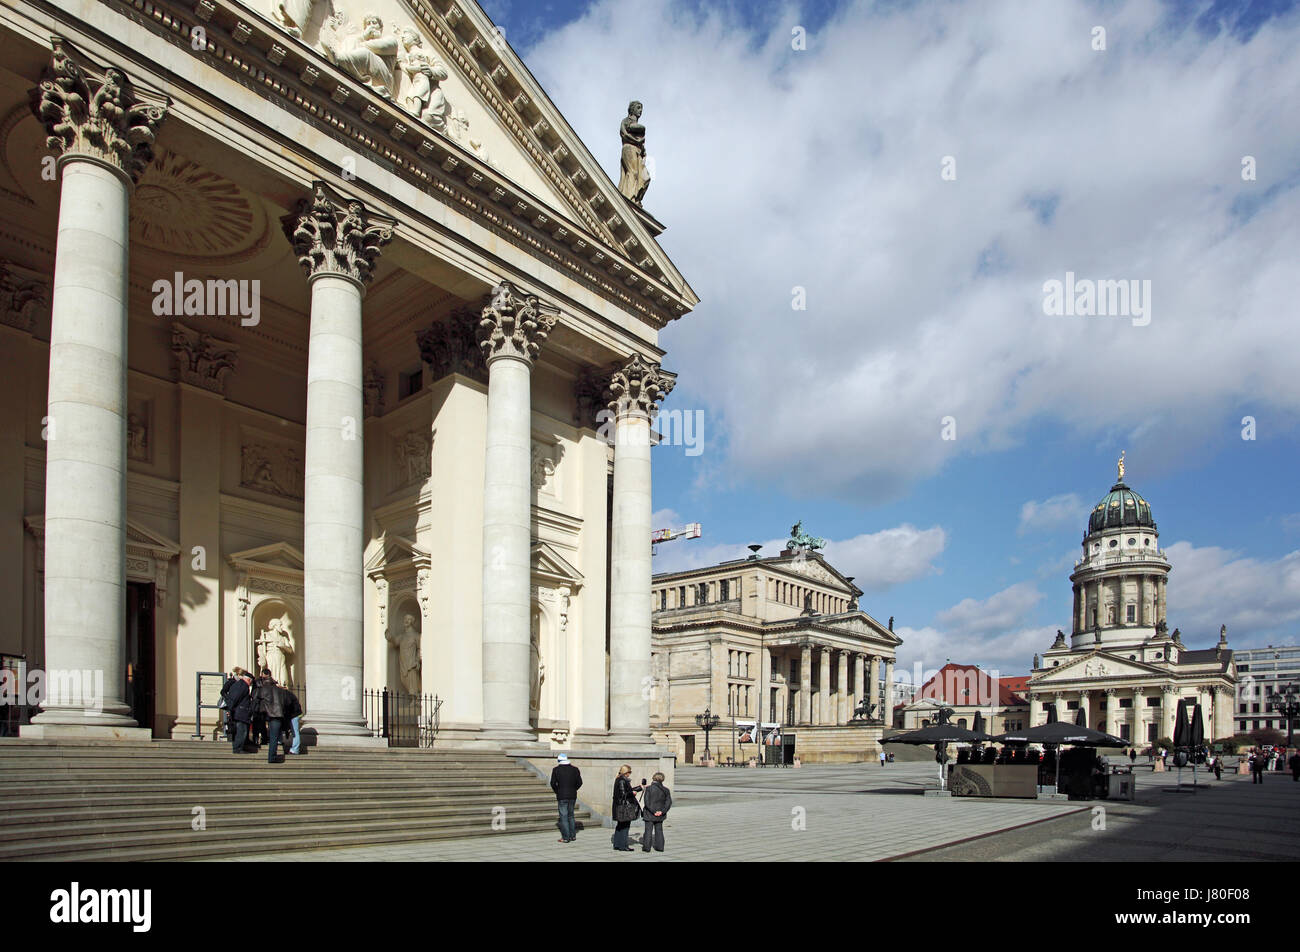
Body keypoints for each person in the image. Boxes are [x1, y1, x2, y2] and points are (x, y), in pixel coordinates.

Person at [251, 668, 290, 764]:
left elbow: (255, 698)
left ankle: (261, 742)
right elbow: (287, 702)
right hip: (277, 714)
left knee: (265, 730)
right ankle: (272, 756)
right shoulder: (280, 691)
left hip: (266, 713)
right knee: (274, 737)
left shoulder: (262, 689)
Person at [549, 754, 583, 844]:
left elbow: (552, 783)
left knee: (563, 817)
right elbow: (580, 782)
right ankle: (572, 836)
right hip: (572, 795)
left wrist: (557, 791)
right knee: (571, 816)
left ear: (559, 761)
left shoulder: (556, 770)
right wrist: (574, 789)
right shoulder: (575, 769)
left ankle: (565, 837)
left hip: (562, 795)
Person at [611, 765, 643, 852]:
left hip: (619, 806)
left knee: (620, 826)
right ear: (626, 773)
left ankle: (617, 845)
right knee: (625, 826)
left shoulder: (620, 779)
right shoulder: (622, 780)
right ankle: (623, 845)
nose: (630, 774)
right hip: (623, 807)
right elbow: (623, 794)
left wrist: (639, 788)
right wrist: (633, 793)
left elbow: (626, 791)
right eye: (629, 772)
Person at [224, 668, 255, 754]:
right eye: (251, 682)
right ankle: (238, 748)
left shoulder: (239, 684)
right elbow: (235, 699)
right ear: (248, 680)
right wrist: (230, 709)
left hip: (240, 712)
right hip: (241, 713)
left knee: (242, 731)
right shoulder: (243, 686)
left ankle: (239, 747)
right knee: (242, 731)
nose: (250, 684)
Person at [640, 771, 672, 853]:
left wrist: (653, 811)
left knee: (648, 831)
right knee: (659, 830)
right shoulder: (666, 790)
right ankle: (660, 847)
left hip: (649, 813)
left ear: (654, 778)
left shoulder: (649, 789)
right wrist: (662, 811)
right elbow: (668, 803)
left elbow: (646, 802)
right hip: (660, 814)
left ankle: (647, 847)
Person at [283, 684, 304, 755]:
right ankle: (295, 749)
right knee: (294, 731)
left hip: (294, 714)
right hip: (293, 713)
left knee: (295, 731)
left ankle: (295, 749)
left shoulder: (285, 694)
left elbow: (288, 705)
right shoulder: (287, 694)